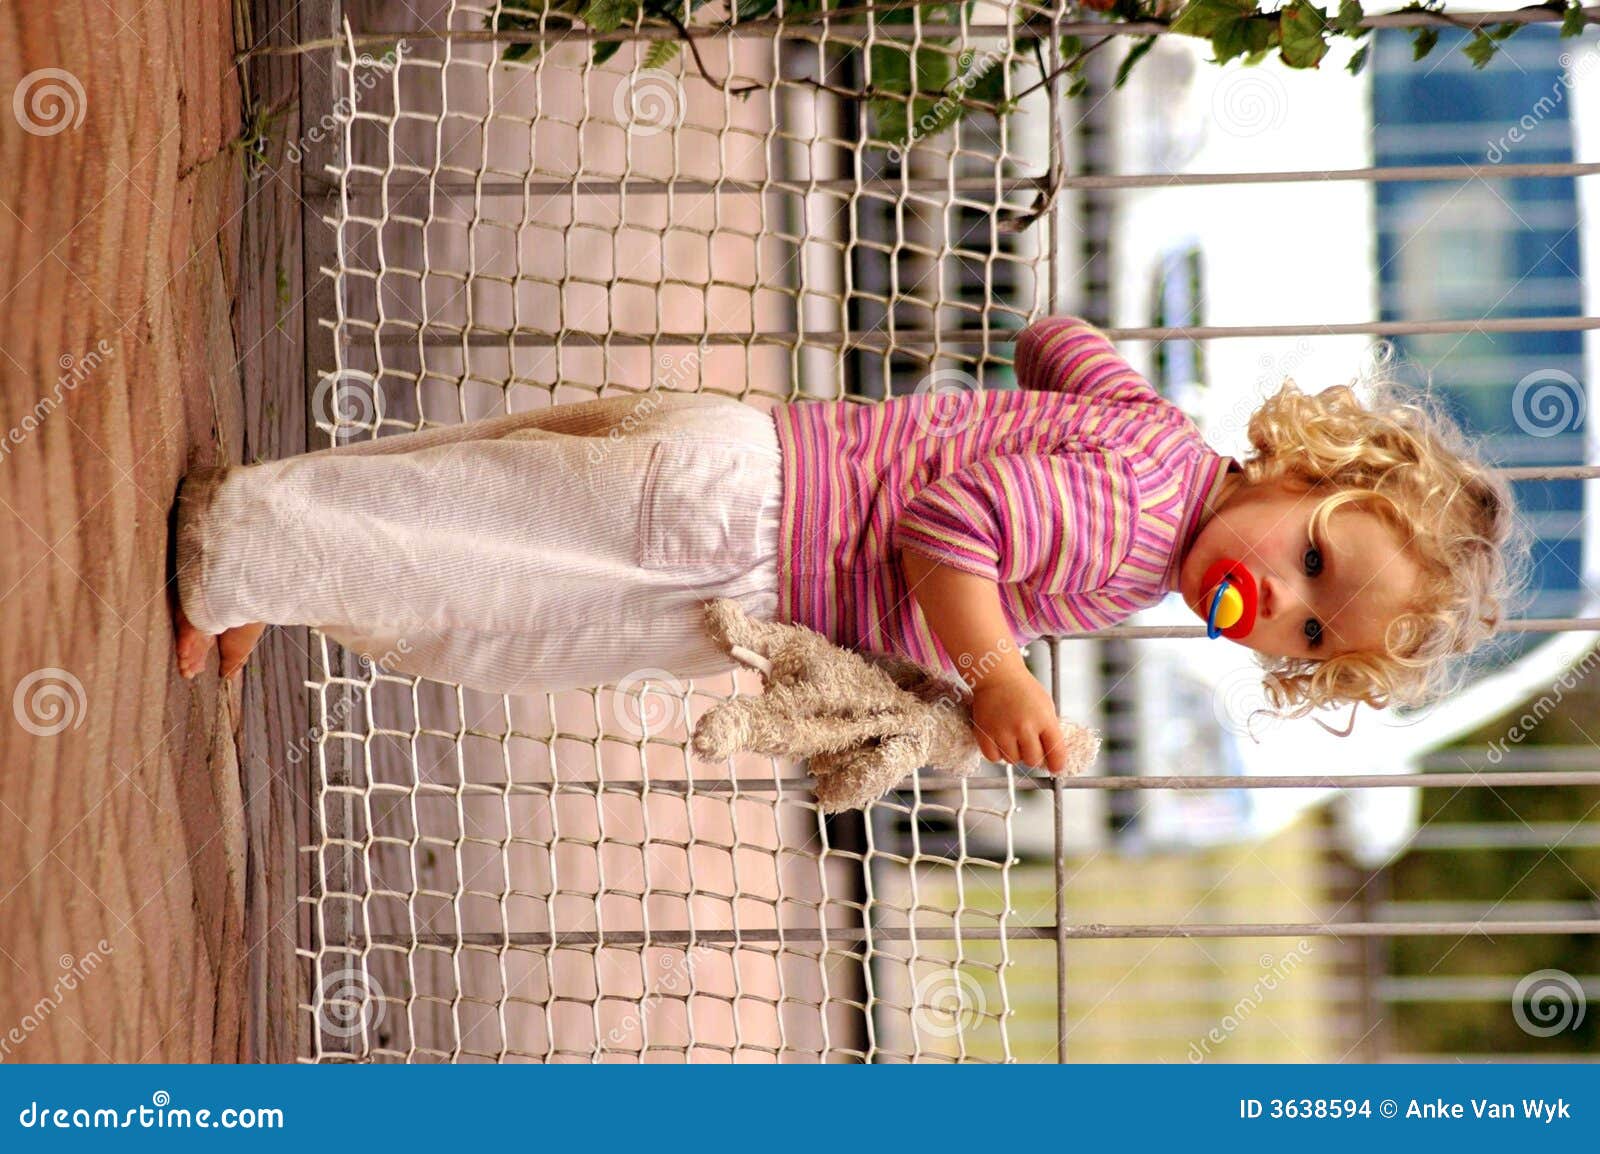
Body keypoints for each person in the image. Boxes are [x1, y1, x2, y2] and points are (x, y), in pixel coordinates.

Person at [170, 317, 1527, 772]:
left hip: (743, 464)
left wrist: (1055, 389)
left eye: (1304, 630)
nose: (1271, 600)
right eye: (1312, 561)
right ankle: (239, 547)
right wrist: (992, 672)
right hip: (746, 541)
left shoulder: (1161, 444)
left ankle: (278, 550)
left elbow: (1056, 342)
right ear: (1301, 472)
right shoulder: (1131, 525)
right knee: (494, 591)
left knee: (483, 505)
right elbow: (956, 524)